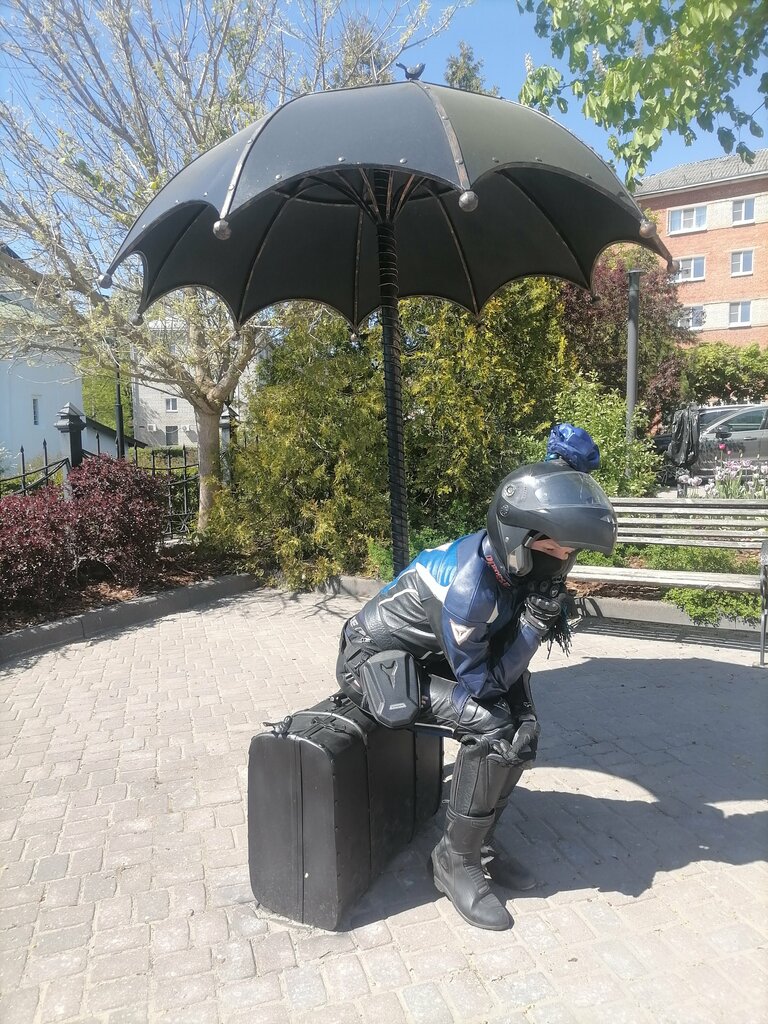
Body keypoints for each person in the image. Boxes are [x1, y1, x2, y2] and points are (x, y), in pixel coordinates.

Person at [336, 423, 617, 930]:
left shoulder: (508, 566)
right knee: (492, 727)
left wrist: (525, 689)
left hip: (431, 655)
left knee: (523, 727)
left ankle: (478, 843)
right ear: (520, 540)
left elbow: (500, 663)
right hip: (375, 664)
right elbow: (483, 684)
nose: (563, 563)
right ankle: (454, 860)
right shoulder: (471, 592)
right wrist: (532, 628)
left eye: (569, 553)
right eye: (555, 551)